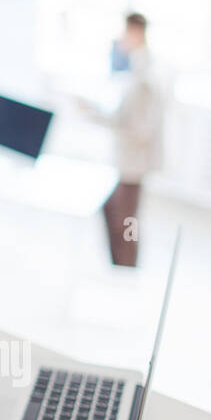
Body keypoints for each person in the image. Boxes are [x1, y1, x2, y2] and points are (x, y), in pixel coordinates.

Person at [74, 13, 165, 267]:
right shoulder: (139, 67)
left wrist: (94, 114)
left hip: (134, 162)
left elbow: (137, 126)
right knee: (117, 213)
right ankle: (122, 264)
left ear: (135, 32)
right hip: (130, 161)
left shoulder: (145, 76)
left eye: (124, 33)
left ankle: (128, 266)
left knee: (128, 221)